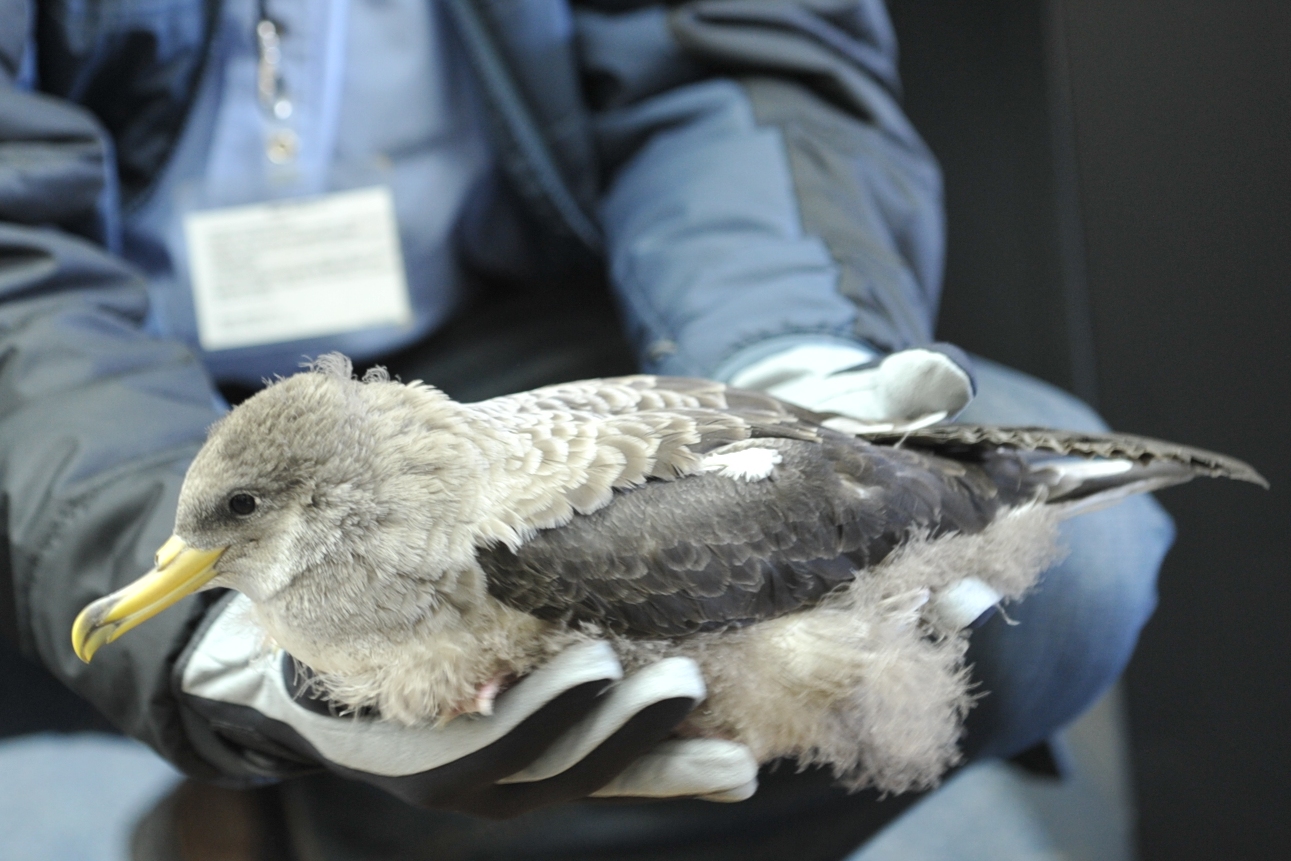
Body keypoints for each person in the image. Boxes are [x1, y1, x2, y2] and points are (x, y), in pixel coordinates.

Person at [0, 1, 1172, 858]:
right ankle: (291, 776)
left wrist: (791, 355)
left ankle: (305, 829)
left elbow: (736, 60)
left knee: (1067, 576)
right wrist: (190, 631)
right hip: (51, 417)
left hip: (477, 343)